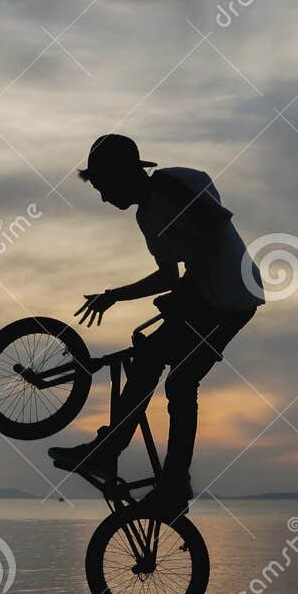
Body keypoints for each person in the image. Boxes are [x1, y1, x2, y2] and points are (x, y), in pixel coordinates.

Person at [48, 133, 263, 520]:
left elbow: (216, 227)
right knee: (147, 356)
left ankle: (172, 485)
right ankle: (109, 452)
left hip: (233, 297)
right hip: (204, 298)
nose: (102, 198)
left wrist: (187, 290)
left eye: (102, 187)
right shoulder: (145, 215)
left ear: (122, 175)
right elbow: (167, 276)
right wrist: (115, 295)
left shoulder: (173, 183)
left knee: (181, 382)